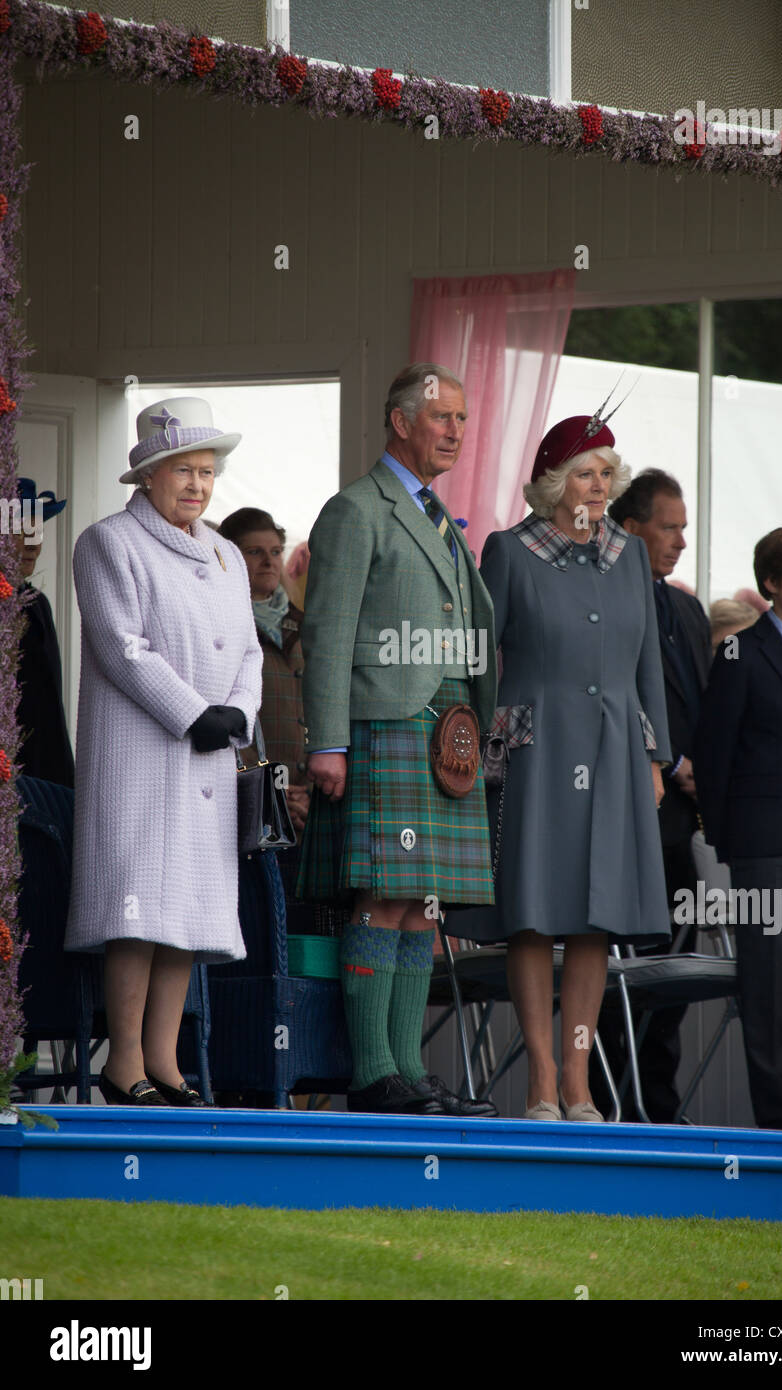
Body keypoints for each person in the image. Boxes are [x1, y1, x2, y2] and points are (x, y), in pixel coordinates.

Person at [294, 362, 499, 1117]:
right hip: (384, 723)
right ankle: (373, 1074)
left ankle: (409, 1072)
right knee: (382, 900)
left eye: (463, 421)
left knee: (420, 904)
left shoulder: (440, 516)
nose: (455, 432)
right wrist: (329, 742)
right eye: (443, 418)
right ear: (401, 421)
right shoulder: (357, 509)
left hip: (447, 731)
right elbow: (329, 629)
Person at [458, 415, 671, 1121]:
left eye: (608, 473)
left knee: (594, 921)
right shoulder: (510, 552)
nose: (600, 486)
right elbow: (481, 664)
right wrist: (476, 754)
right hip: (535, 751)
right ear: (554, 482)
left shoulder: (630, 555)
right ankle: (542, 1080)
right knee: (532, 917)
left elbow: (648, 667)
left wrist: (655, 755)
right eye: (587, 472)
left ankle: (579, 1078)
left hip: (616, 753)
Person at [65, 397, 262, 1106]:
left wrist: (237, 712)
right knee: (139, 909)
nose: (198, 485)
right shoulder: (108, 542)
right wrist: (192, 714)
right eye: (183, 470)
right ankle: (124, 1063)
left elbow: (248, 649)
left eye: (208, 472)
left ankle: (165, 1064)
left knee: (188, 915)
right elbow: (123, 647)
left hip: (208, 756)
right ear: (148, 475)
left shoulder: (227, 553)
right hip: (142, 757)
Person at [597, 469, 712, 1121]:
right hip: (622, 813)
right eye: (669, 528)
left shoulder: (687, 607)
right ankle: (610, 1097)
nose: (680, 542)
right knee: (617, 969)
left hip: (678, 824)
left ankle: (657, 1103)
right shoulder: (607, 599)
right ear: (631, 527)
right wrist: (666, 758)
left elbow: (702, 703)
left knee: (672, 970)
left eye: (684, 529)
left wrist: (703, 768)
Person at [693, 526, 782, 1129]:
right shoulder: (740, 650)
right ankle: (780, 1124)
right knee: (765, 987)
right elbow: (714, 751)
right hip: (760, 844)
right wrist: (727, 839)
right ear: (772, 584)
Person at [217, 507, 311, 835]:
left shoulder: (305, 626)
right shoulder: (219, 626)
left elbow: (323, 710)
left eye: (275, 552)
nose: (269, 562)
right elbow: (226, 718)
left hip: (307, 802)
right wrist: (271, 790)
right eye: (254, 552)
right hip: (244, 801)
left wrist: (308, 790)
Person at [14, 478, 74, 787]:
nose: (33, 543)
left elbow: (48, 704)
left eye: (37, 531)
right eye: (21, 531)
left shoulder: (36, 603)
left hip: (40, 771)